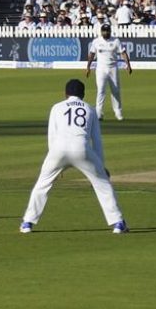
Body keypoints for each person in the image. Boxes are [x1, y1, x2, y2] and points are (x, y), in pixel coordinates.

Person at [20, 78, 126, 234]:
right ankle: (117, 223)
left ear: (65, 94)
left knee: (42, 185)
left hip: (58, 149)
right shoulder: (90, 109)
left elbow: (52, 135)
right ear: (83, 94)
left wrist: (56, 164)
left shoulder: (56, 107)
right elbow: (96, 140)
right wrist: (101, 166)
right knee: (102, 184)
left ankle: (27, 223)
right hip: (81, 148)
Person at [86, 23, 132, 122]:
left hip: (113, 68)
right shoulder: (96, 41)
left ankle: (118, 112)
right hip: (101, 68)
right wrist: (88, 67)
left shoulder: (116, 41)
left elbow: (123, 53)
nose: (106, 33)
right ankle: (99, 113)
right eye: (104, 31)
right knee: (101, 90)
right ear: (101, 31)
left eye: (107, 31)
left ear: (110, 31)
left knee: (115, 90)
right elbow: (91, 54)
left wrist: (128, 65)